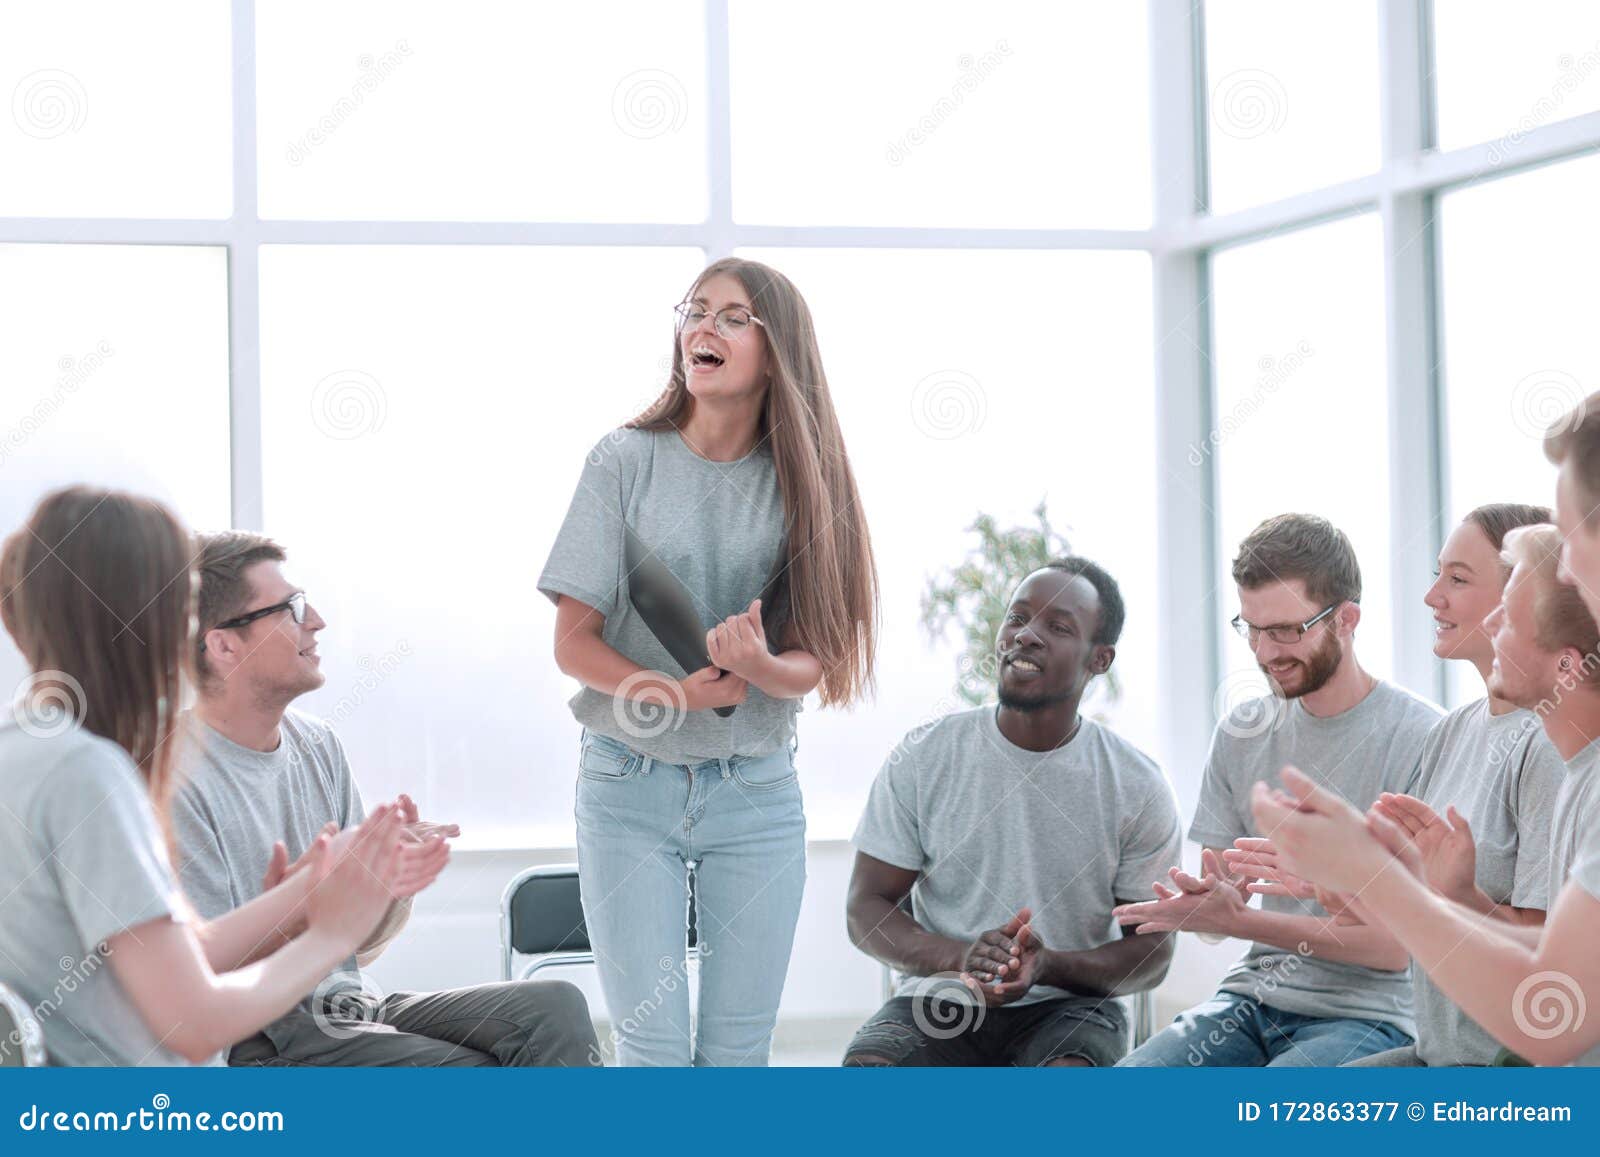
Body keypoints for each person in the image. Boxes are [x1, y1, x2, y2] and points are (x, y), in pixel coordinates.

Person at [539, 257, 879, 1066]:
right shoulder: (623, 461)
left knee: (735, 1054)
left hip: (755, 791)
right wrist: (672, 693)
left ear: (777, 347)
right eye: (696, 312)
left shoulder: (806, 484)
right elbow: (572, 643)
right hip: (627, 782)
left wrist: (759, 664)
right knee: (651, 1051)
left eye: (732, 316)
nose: (704, 328)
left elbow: (814, 667)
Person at [0, 485, 441, 1066]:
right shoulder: (88, 773)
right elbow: (195, 1021)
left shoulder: (27, 749)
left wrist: (308, 889)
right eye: (181, 607)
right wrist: (330, 934)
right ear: (143, 617)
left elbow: (183, 952)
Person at [173, 531, 600, 1066]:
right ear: (224, 644)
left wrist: (387, 882)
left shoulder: (317, 745)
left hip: (349, 1006)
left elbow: (361, 948)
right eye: (291, 608)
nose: (317, 621)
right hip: (260, 1034)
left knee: (554, 1008)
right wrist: (308, 901)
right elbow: (191, 980)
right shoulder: (174, 779)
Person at [1228, 505, 1563, 1066]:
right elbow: (1418, 915)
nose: (1433, 597)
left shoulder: (1548, 747)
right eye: (1438, 574)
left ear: (1523, 598)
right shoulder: (1452, 733)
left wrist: (1450, 893)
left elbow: (1550, 960)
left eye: (1457, 579)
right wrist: (1340, 882)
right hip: (1434, 1053)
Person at [1116, 513, 1443, 1067]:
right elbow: (1227, 908)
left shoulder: (1423, 736)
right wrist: (1215, 905)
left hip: (1371, 1017)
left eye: (1288, 630)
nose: (1266, 653)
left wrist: (1239, 922)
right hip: (1249, 1001)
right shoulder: (1241, 734)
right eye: (1252, 629)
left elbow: (1393, 950)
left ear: (1347, 618)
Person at [841, 559, 1180, 1067]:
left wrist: (1046, 967)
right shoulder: (924, 756)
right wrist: (962, 958)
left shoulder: (1137, 785)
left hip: (1072, 1008)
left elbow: (1151, 955)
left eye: (1058, 627)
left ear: (1100, 659)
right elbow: (865, 908)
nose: (1026, 636)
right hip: (942, 998)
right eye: (1017, 618)